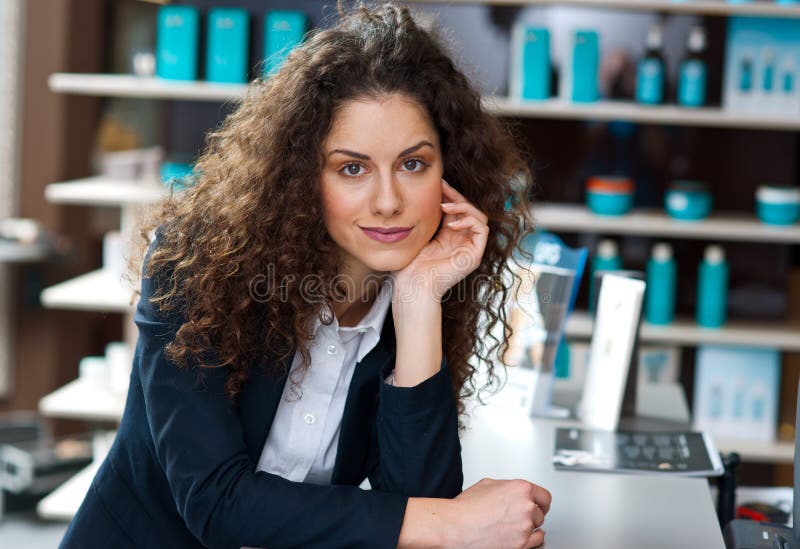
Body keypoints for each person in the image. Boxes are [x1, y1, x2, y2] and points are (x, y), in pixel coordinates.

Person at [60, 2, 551, 548]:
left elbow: (419, 498)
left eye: (413, 164)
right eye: (352, 168)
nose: (388, 201)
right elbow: (216, 503)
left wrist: (417, 301)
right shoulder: (197, 267)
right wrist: (455, 522)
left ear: (449, 173)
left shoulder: (419, 289)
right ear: (300, 176)